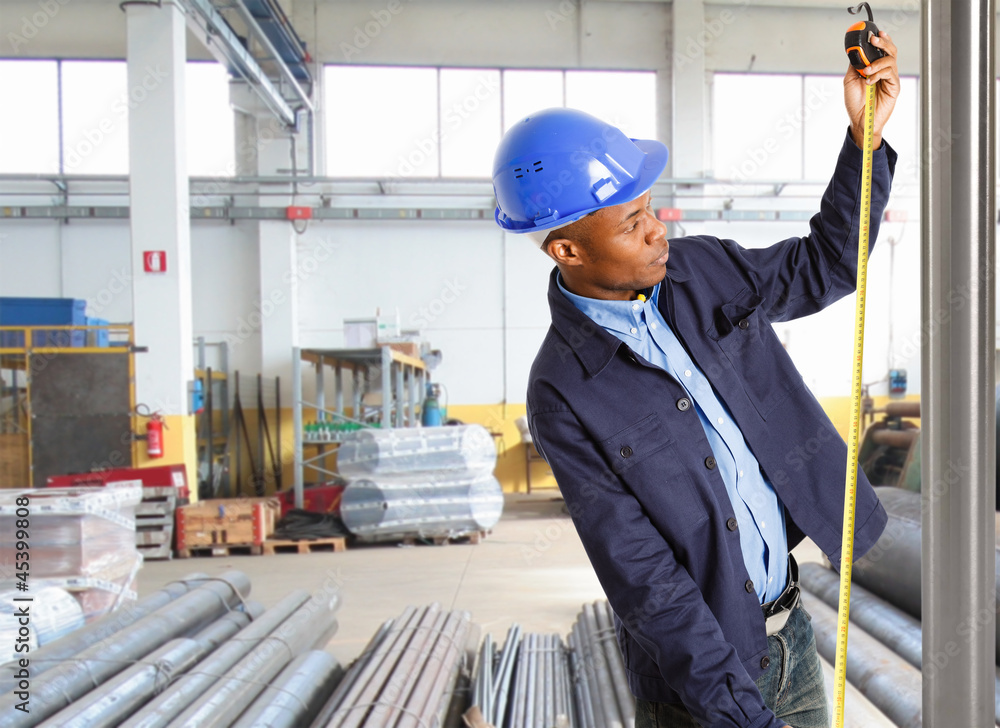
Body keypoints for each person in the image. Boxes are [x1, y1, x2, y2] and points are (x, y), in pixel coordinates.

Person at [491, 31, 900, 728]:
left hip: (791, 641)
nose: (657, 230)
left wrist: (864, 141)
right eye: (631, 221)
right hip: (702, 691)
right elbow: (645, 581)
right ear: (567, 249)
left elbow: (825, 266)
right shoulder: (564, 392)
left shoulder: (703, 269)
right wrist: (740, 713)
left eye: (650, 208)